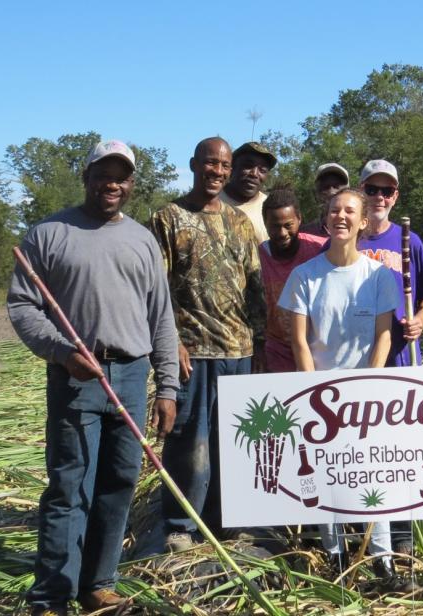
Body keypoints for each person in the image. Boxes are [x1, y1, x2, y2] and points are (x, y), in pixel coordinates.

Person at [8, 140, 179, 616]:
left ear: (130, 184)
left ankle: (99, 584)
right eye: (104, 174)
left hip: (130, 375)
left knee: (119, 482)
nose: (113, 184)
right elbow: (23, 306)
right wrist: (62, 352)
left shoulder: (143, 241)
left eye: (122, 177)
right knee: (69, 488)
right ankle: (51, 596)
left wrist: (167, 387)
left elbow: (161, 319)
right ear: (86, 177)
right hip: (77, 377)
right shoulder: (48, 234)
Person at [278, 188, 416, 593]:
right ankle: (337, 562)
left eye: (349, 211)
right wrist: (311, 390)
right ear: (325, 220)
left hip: (367, 399)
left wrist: (369, 389)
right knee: (327, 480)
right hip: (320, 398)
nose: (341, 216)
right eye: (334, 210)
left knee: (374, 478)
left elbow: (384, 338)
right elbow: (300, 341)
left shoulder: (377, 277)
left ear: (362, 222)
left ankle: (382, 564)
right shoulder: (305, 276)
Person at [149, 137, 266, 551]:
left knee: (233, 444)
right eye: (210, 163)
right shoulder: (168, 218)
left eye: (224, 165)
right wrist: (169, 343)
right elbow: (156, 290)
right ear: (194, 164)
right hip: (192, 352)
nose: (216, 171)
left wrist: (261, 342)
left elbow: (255, 289)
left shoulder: (240, 223)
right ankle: (181, 524)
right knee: (189, 442)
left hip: (239, 351)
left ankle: (227, 521)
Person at [358, 159, 423, 555]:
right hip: (360, 358)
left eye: (386, 191)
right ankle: (365, 534)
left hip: (402, 359)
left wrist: (420, 321)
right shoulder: (347, 240)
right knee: (362, 446)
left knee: (400, 449)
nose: (378, 197)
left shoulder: (410, 241)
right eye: (371, 190)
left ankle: (403, 537)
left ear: (396, 196)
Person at [259, 187, 326, 373]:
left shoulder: (319, 249)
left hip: (317, 349)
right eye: (274, 226)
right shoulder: (257, 257)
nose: (282, 233)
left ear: (299, 219)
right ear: (265, 223)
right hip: (277, 350)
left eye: (288, 225)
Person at [220, 141, 277, 243]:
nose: (254, 174)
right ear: (231, 168)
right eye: (248, 166)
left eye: (262, 170)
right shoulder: (211, 201)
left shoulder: (271, 207)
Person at [299, 162, 350, 238]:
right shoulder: (305, 233)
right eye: (325, 187)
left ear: (349, 192)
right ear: (317, 194)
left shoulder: (362, 231)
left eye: (336, 186)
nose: (332, 192)